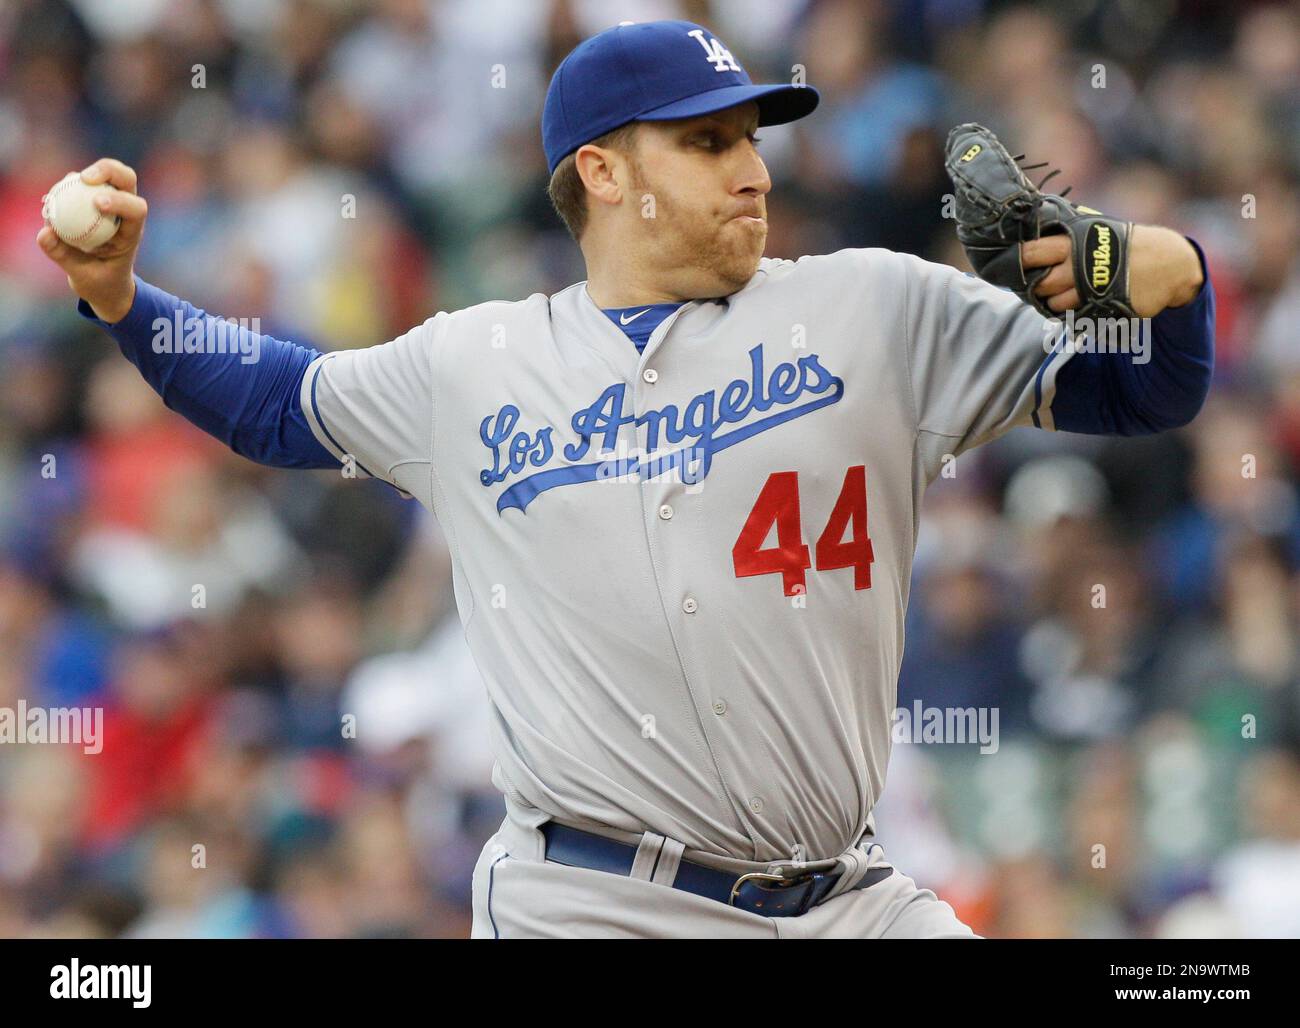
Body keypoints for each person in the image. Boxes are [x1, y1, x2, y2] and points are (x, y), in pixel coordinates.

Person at [38, 20, 1213, 938]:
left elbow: (1146, 395)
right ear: (600, 171)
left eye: (752, 138)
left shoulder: (876, 307)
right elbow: (271, 400)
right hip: (595, 902)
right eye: (706, 142)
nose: (750, 170)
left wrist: (1168, 279)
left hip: (846, 897)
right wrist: (125, 301)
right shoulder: (475, 362)